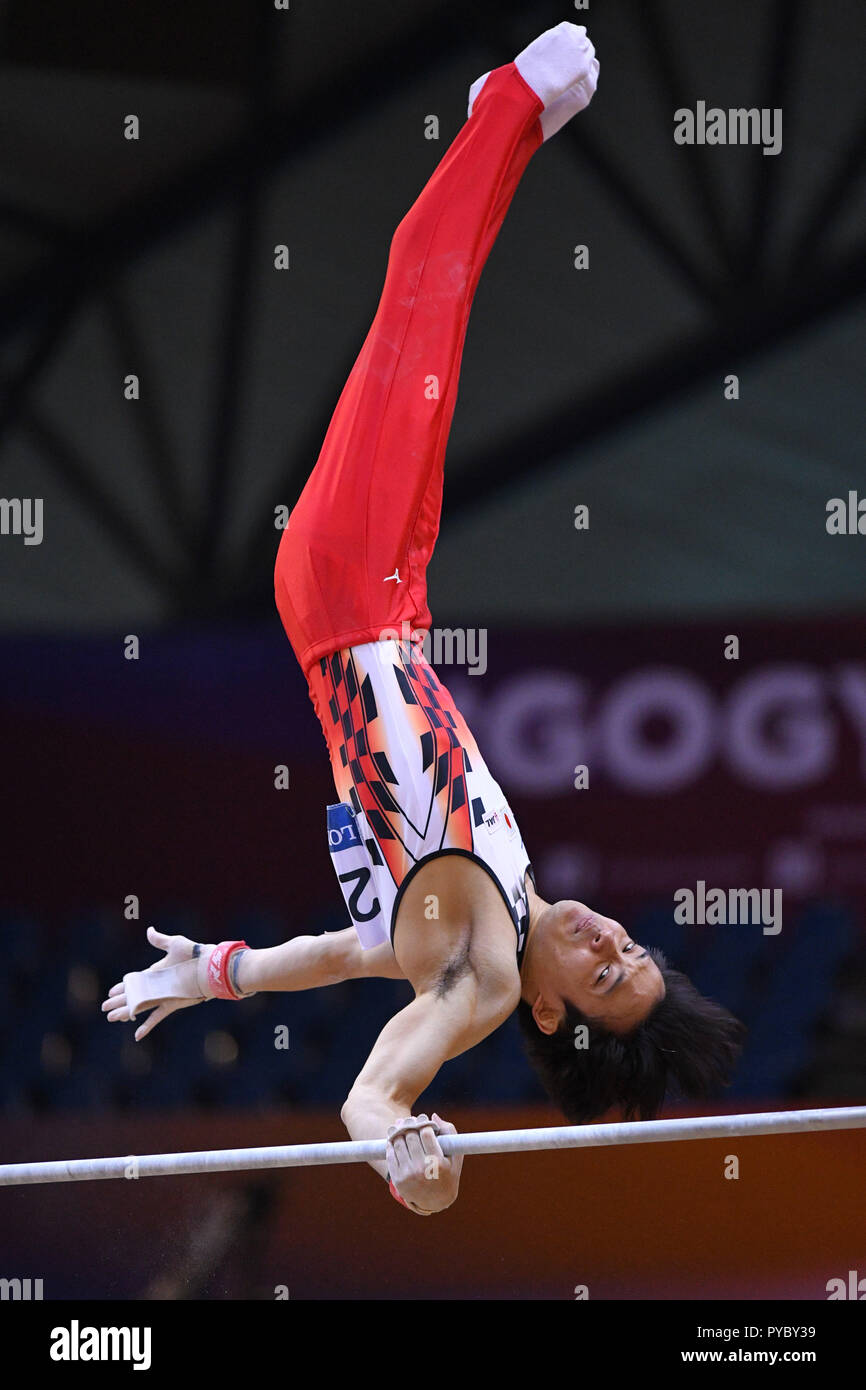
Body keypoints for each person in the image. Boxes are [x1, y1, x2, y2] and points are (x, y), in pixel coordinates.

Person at [103, 23, 744, 1216]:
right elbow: (343, 955)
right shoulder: (485, 904)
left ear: (551, 1012)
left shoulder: (483, 977)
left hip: (346, 595)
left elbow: (371, 1093)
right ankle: (501, 138)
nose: (608, 942)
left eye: (603, 976)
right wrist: (217, 974)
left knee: (417, 282)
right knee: (430, 319)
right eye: (632, 951)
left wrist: (408, 1156)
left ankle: (506, 103)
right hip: (390, 597)